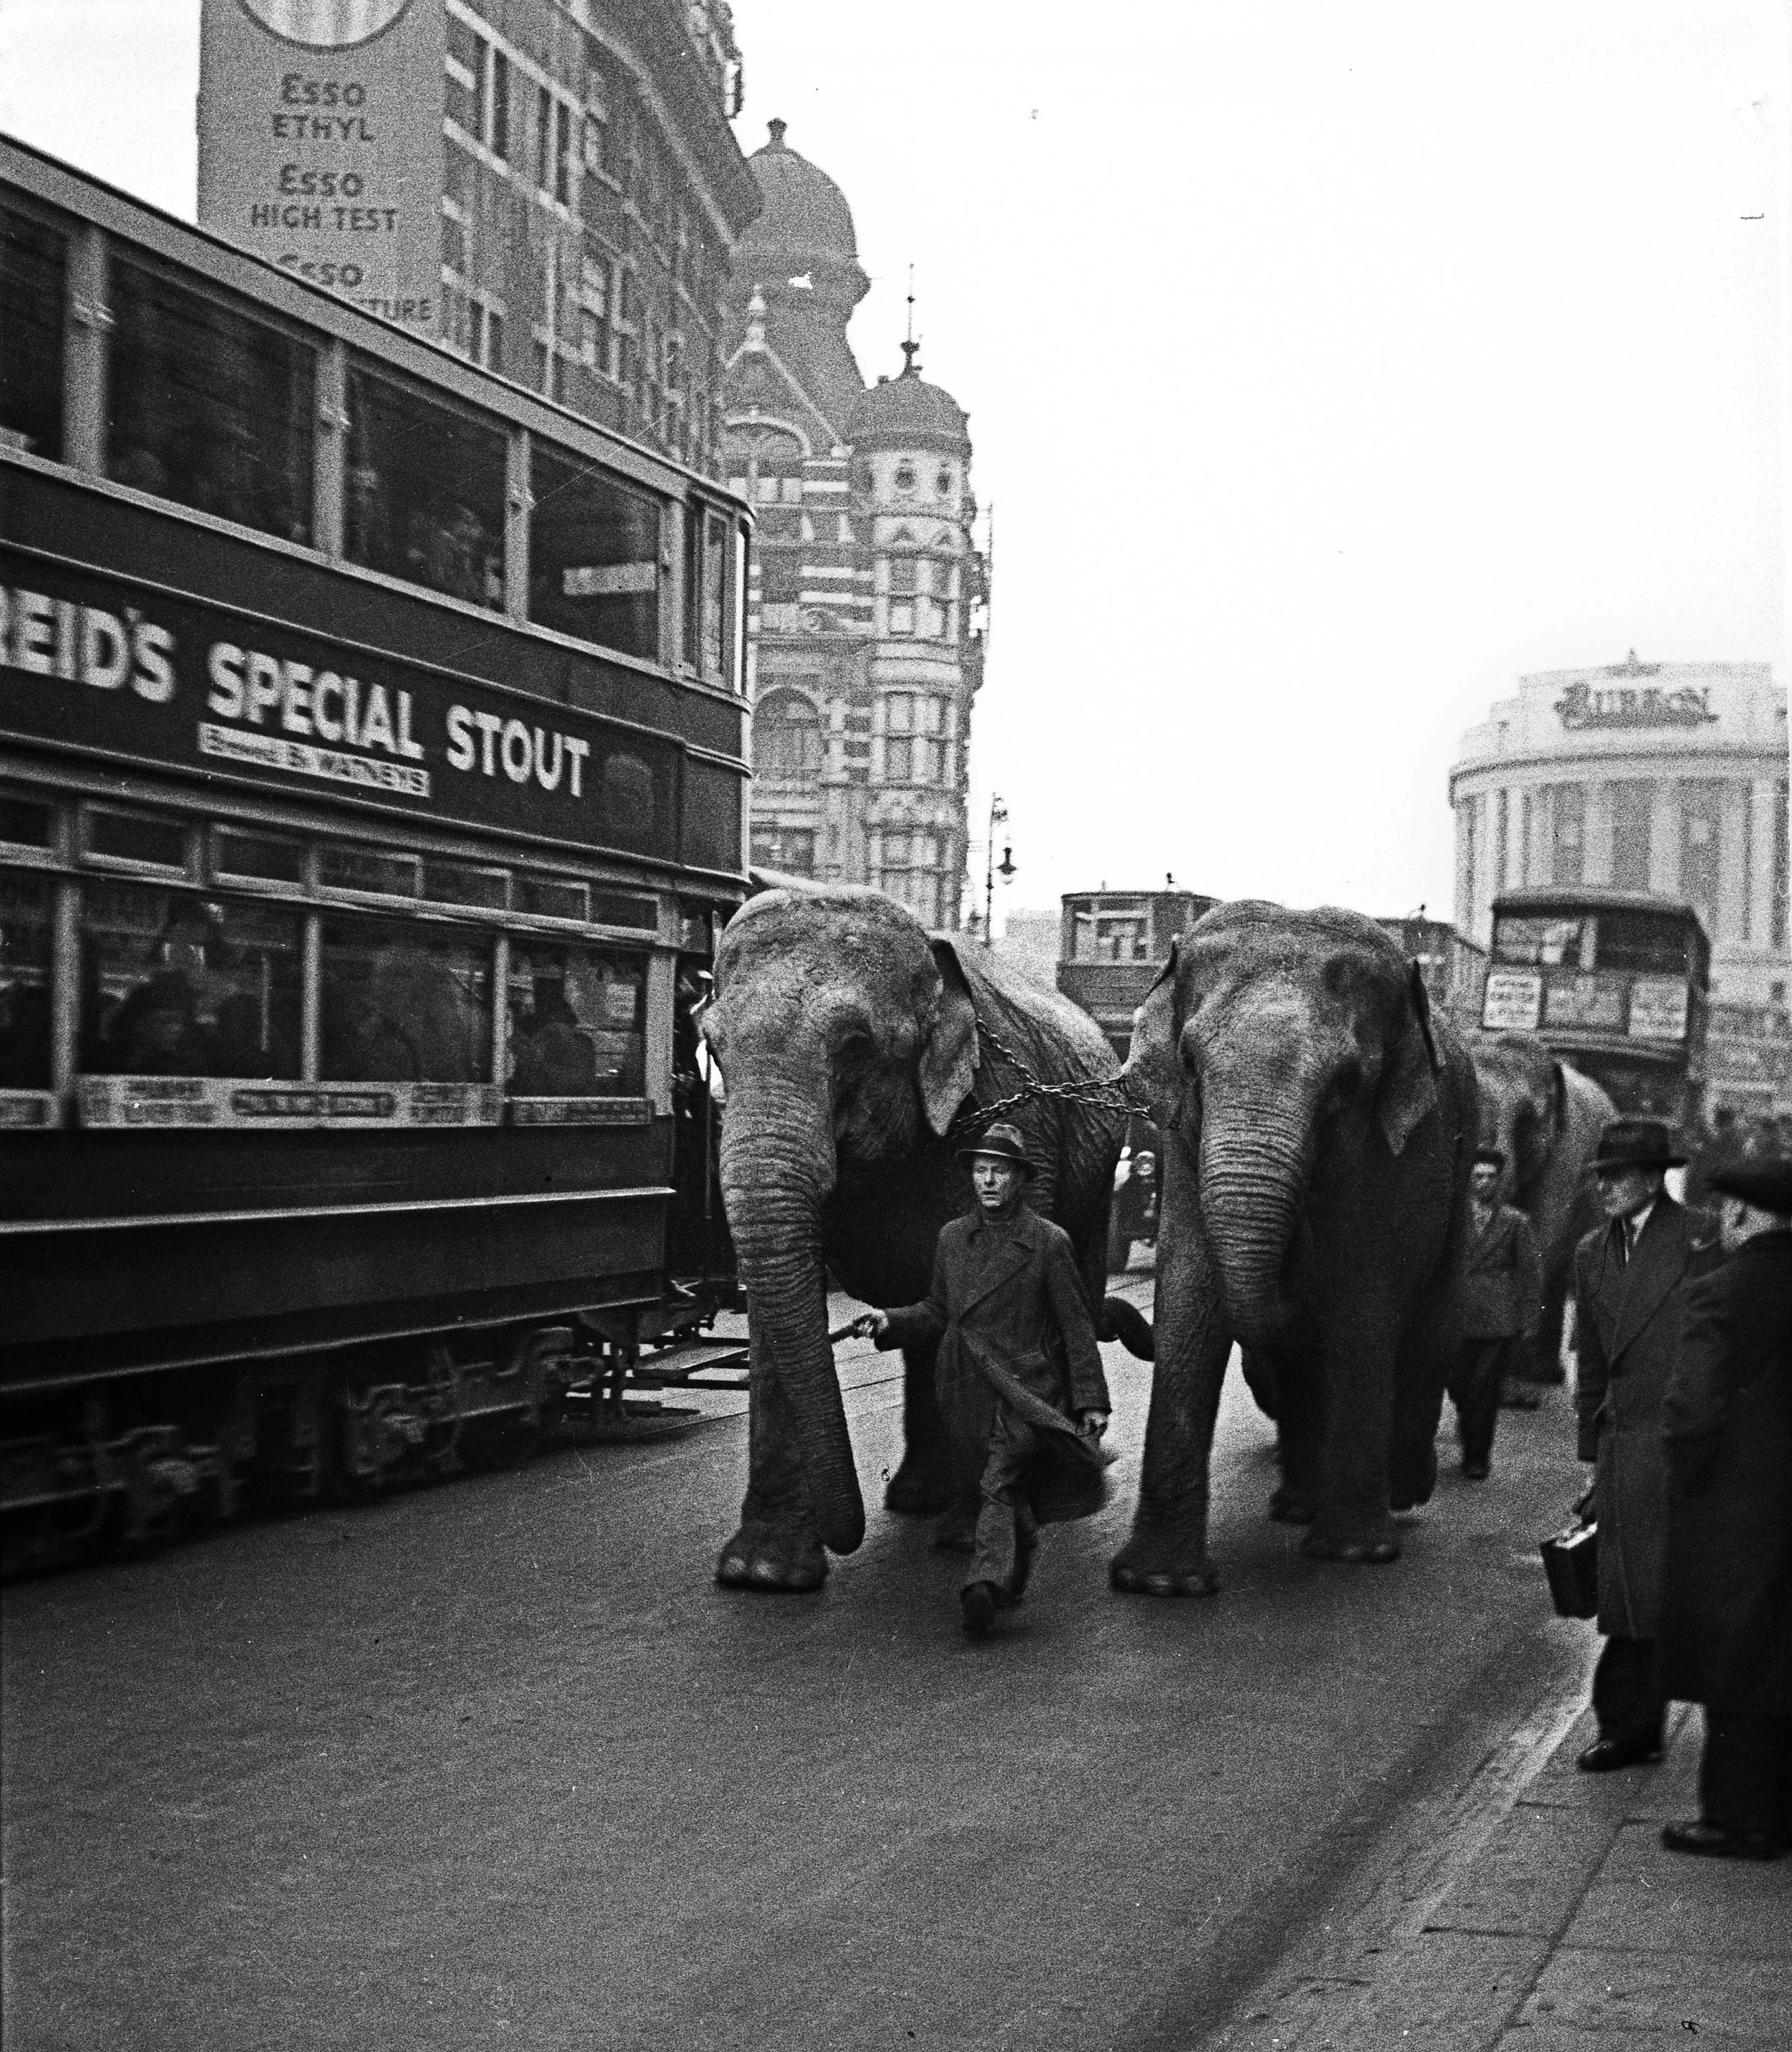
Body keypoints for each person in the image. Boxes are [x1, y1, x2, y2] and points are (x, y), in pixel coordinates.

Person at [858, 1122, 1112, 1639]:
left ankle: (984, 1583)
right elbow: (937, 1309)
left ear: (1020, 1178)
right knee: (993, 1479)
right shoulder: (953, 1238)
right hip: (963, 1384)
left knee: (998, 1478)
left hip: (1026, 1386)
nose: (989, 1180)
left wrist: (1089, 1398)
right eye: (981, 1170)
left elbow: (1076, 1325)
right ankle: (1018, 1550)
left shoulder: (1048, 1242)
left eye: (999, 1170)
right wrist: (891, 1322)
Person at [1571, 1117, 1717, 1772]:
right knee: (1627, 1590)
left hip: (1682, 1439)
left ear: (1656, 1177)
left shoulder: (1702, 1237)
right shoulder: (1589, 1252)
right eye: (1601, 1175)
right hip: (1623, 1444)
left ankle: (1636, 1725)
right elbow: (1596, 1364)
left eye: (1619, 1176)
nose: (1606, 1187)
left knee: (1659, 1589)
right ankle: (1631, 1726)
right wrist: (1591, 1457)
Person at [1657, 1153, 1792, 1860]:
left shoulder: (1720, 1292)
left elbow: (1691, 1412)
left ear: (1742, 1215)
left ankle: (1737, 1819)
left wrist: (1692, 1480)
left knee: (1737, 1654)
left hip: (1740, 1505)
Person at [1449, 1147, 1543, 1479]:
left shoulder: (1515, 1222)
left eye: (1491, 1176)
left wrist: (1530, 1319)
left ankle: (1477, 1457)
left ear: (1500, 1181)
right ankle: (1466, 1420)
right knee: (1458, 1385)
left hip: (1497, 1319)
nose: (1485, 1183)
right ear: (1468, 1180)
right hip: (1457, 1315)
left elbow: (1530, 1272)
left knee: (1484, 1391)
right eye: (1478, 1176)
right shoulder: (1454, 1218)